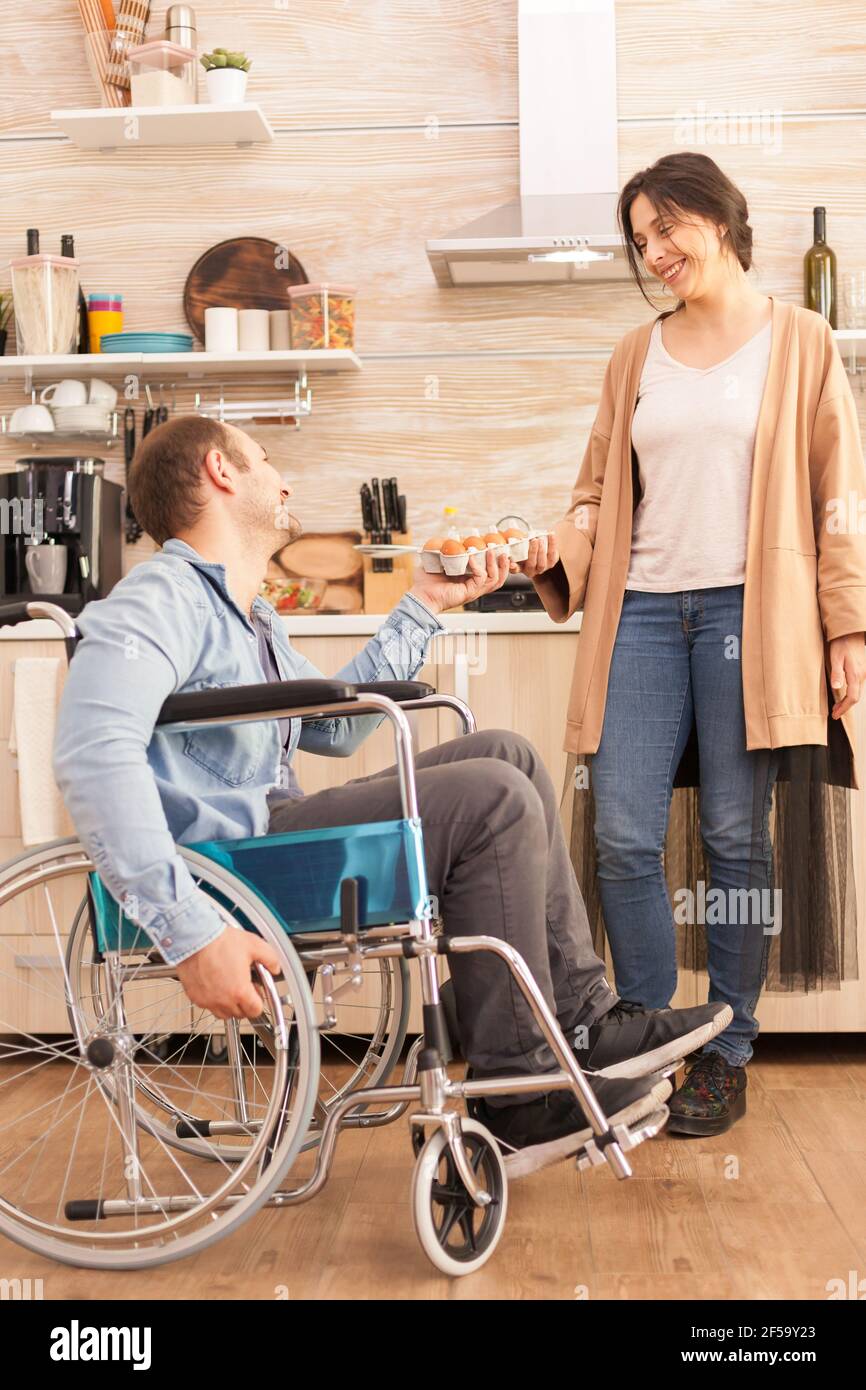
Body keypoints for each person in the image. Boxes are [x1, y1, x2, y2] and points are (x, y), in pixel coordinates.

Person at [54, 414, 731, 1175]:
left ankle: (579, 1020)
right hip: (231, 870)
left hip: (269, 836)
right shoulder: (161, 599)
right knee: (492, 798)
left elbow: (336, 731)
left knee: (508, 755)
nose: (284, 479)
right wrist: (190, 934)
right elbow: (91, 751)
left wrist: (427, 604)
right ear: (220, 471)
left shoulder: (250, 615)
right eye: (267, 459)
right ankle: (513, 1096)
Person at [527, 152, 866, 1135]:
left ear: (716, 217)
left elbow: (834, 499)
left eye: (664, 228)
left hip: (746, 617)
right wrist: (558, 541)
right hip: (637, 612)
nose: (654, 252)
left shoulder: (799, 343)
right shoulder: (633, 356)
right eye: (639, 240)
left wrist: (845, 626)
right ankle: (645, 1040)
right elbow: (593, 493)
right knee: (621, 834)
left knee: (730, 837)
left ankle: (725, 1049)